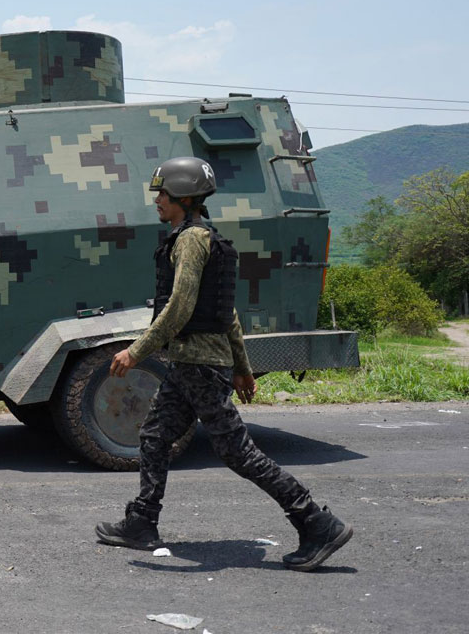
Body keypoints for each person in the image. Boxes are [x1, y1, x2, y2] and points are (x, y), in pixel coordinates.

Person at [95, 156, 352, 572]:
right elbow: (227, 312)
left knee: (238, 452)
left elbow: (181, 305)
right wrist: (242, 366)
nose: (157, 200)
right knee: (155, 436)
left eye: (162, 193)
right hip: (191, 362)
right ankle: (141, 522)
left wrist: (136, 351)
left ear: (184, 195)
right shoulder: (201, 237)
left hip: (197, 363)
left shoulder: (192, 240)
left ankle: (317, 522)